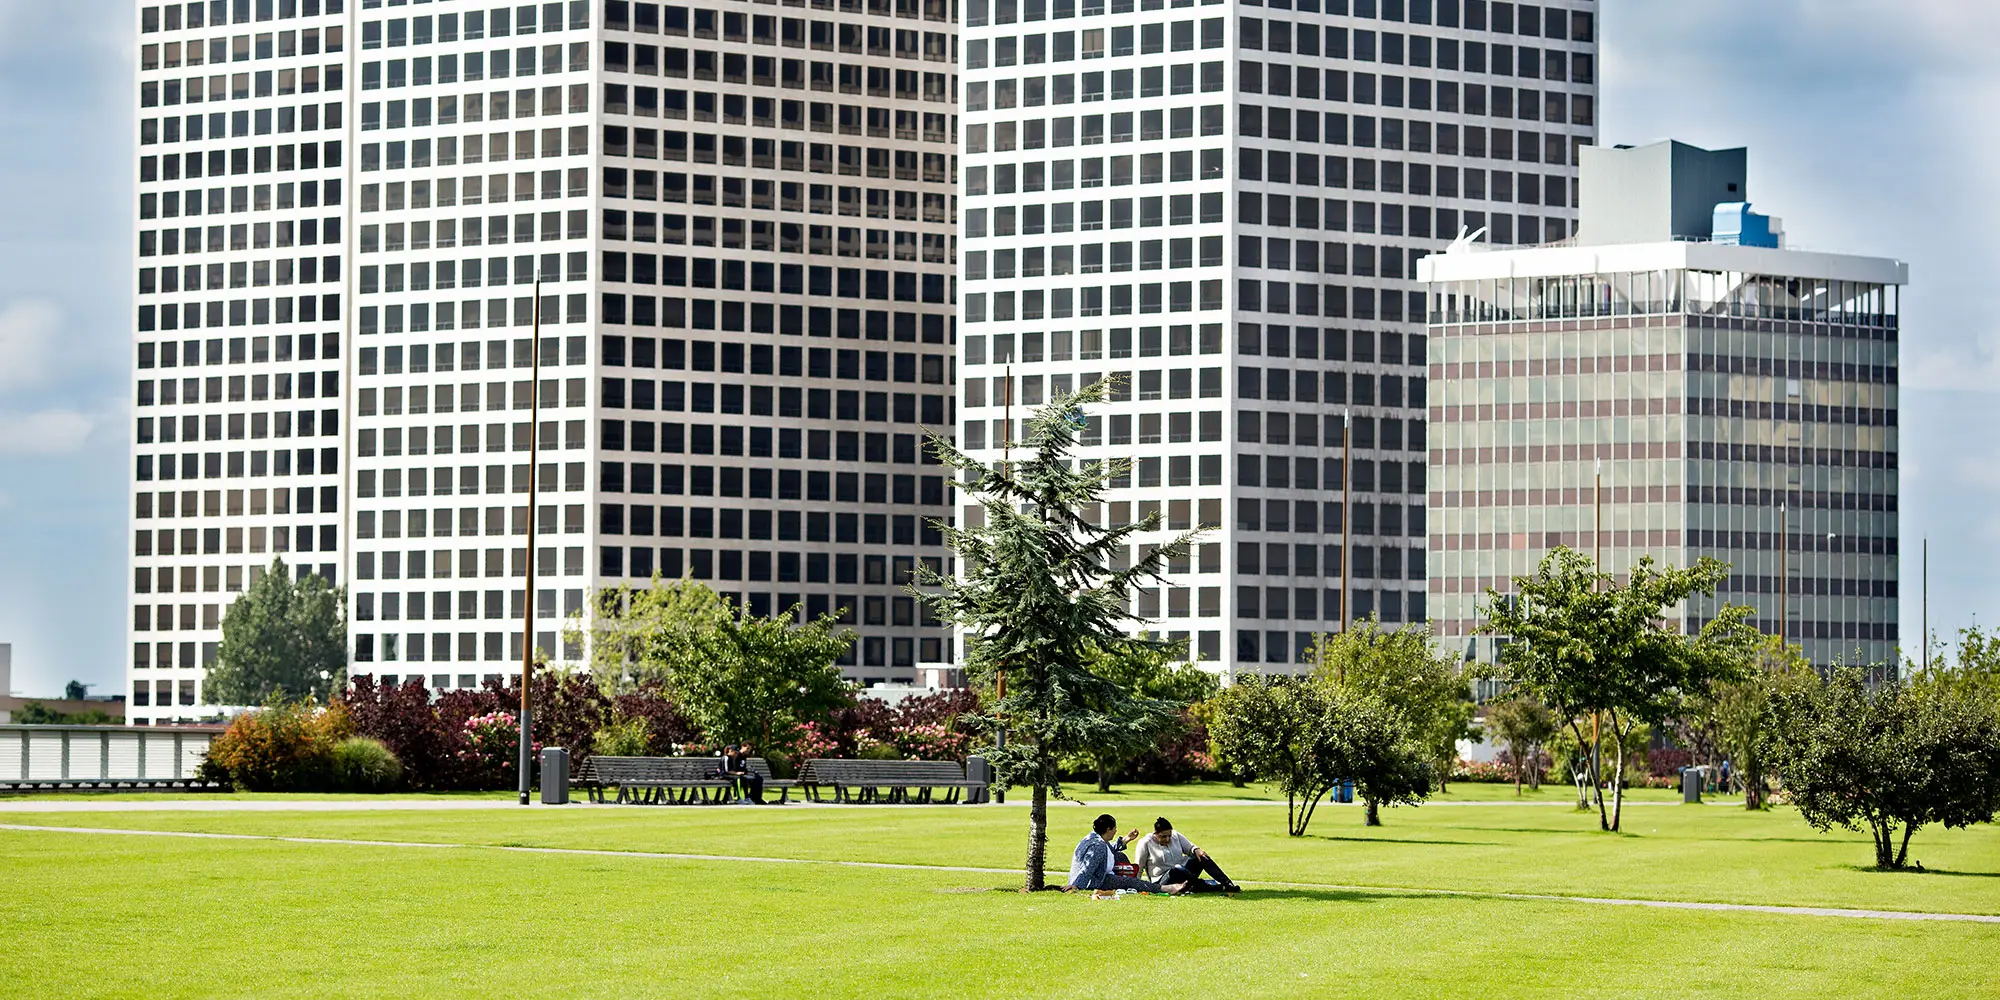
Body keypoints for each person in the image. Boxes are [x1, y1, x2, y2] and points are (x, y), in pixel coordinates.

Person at [1064, 814, 1183, 894]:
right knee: (1129, 882)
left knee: (1120, 856)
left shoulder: (1093, 837)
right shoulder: (1098, 846)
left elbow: (1110, 849)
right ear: (1108, 829)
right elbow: (1088, 868)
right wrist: (1076, 886)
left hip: (1094, 875)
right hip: (1095, 881)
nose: (1116, 831)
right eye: (1114, 828)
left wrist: (1126, 839)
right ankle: (1164, 888)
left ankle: (1130, 878)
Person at [1135, 817, 1240, 893]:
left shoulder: (1176, 836)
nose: (1167, 839)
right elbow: (1139, 868)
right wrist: (1136, 886)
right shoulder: (1145, 843)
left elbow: (1191, 848)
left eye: (1169, 836)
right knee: (1177, 869)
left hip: (1183, 872)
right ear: (1155, 833)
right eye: (1163, 837)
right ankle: (1206, 886)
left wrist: (1197, 850)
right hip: (1163, 880)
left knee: (1201, 857)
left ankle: (1227, 884)